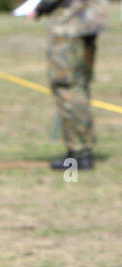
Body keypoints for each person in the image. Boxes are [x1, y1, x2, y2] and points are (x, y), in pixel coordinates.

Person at [33, 0, 109, 170]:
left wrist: (40, 7)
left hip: (70, 25)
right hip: (90, 23)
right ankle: (81, 149)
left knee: (67, 87)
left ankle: (79, 152)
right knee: (79, 86)